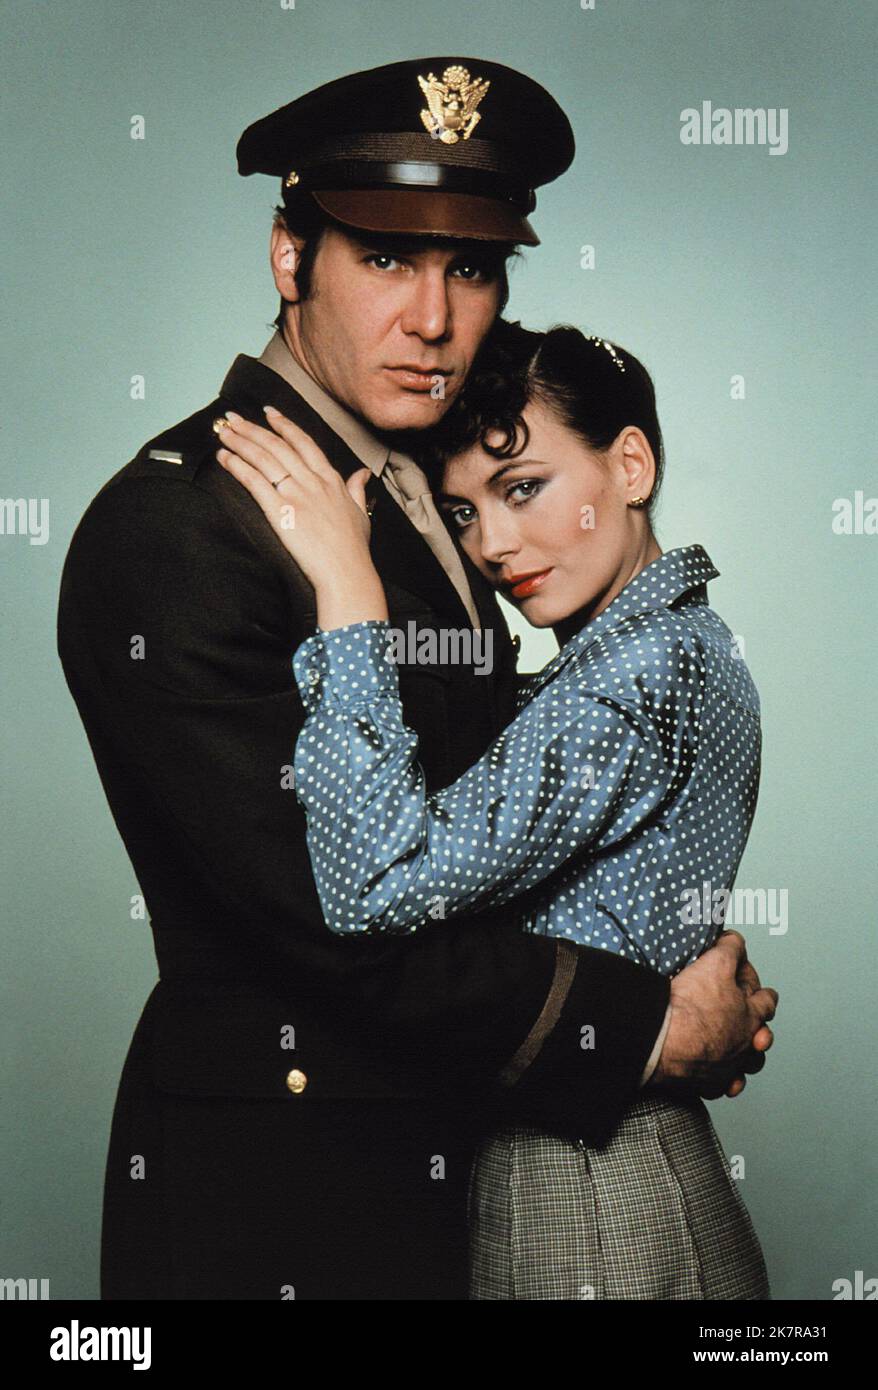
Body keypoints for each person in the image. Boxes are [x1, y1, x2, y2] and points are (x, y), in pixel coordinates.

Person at [57, 57, 776, 1300]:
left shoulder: (433, 497)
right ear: (291, 257)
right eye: (387, 258)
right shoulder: (173, 531)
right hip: (287, 1197)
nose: (437, 320)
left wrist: (662, 924)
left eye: (474, 266)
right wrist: (649, 1026)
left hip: (484, 1167)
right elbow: (339, 926)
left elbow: (518, 817)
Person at [214, 317, 771, 1299]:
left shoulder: (623, 682)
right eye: (462, 513)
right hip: (633, 1163)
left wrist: (349, 595)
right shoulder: (682, 643)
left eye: (522, 490)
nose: (495, 545)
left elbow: (377, 883)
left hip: (582, 1182)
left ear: (629, 465)